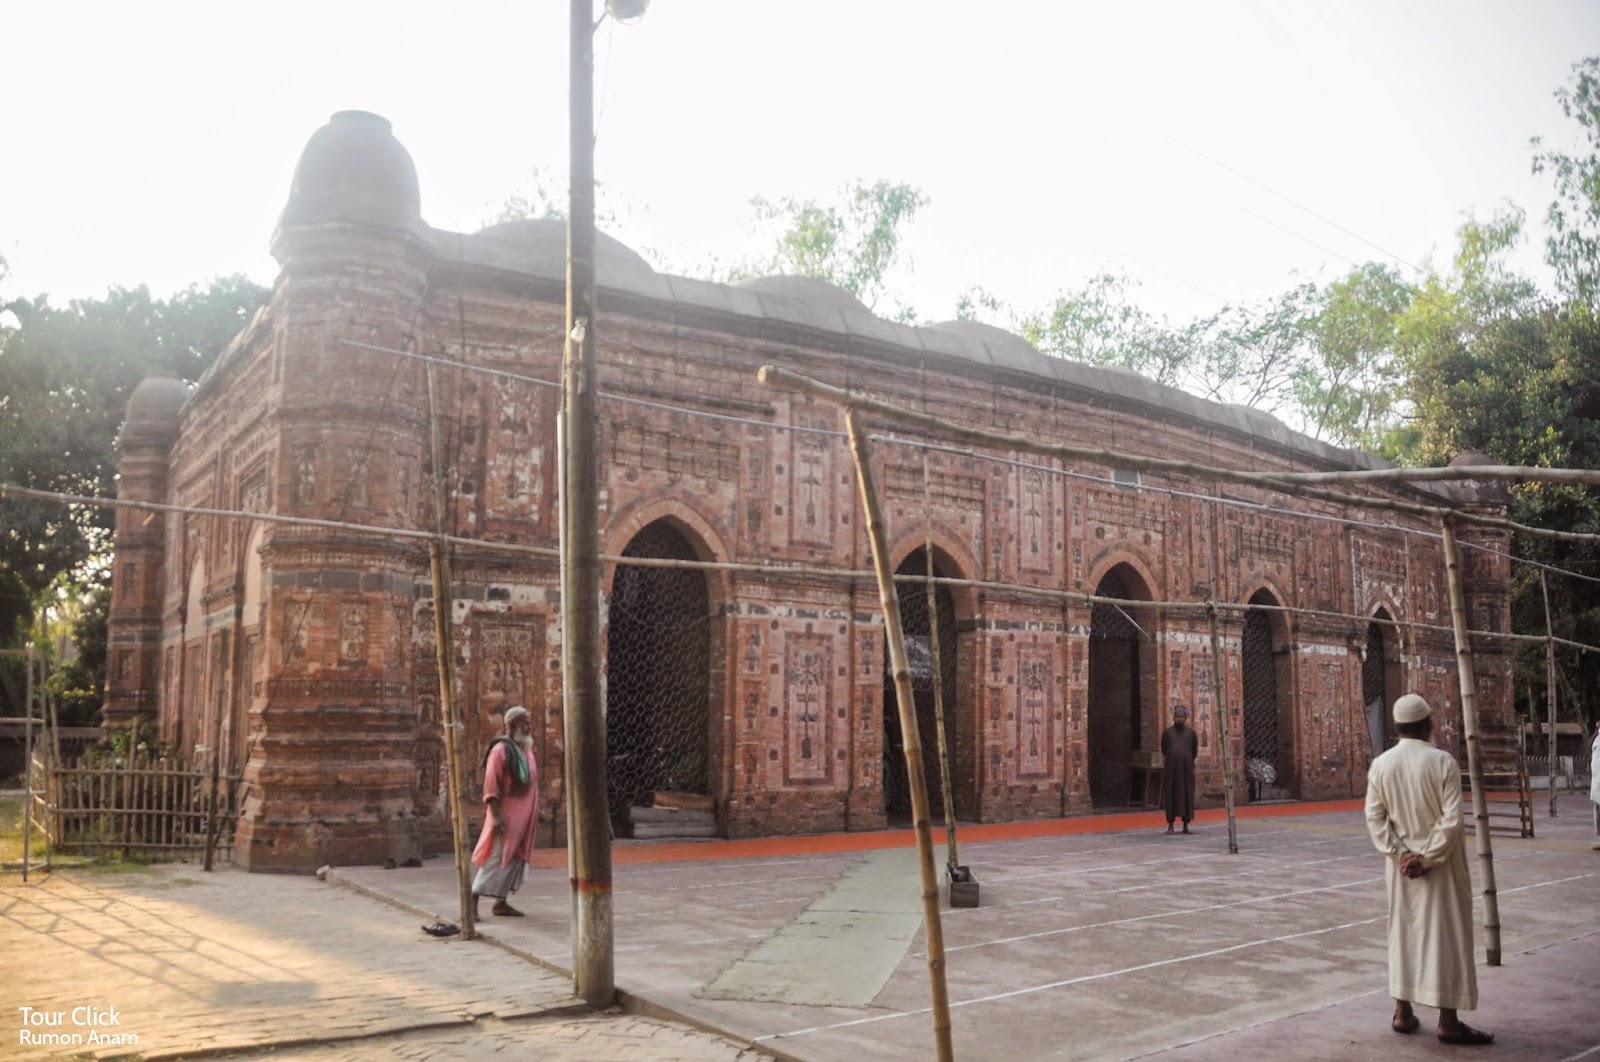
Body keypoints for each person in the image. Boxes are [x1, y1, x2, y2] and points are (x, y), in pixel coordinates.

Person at [1364, 694, 1493, 1046]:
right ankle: (1448, 1021)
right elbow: (1451, 821)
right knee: (1445, 937)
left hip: (1401, 870)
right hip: (1440, 868)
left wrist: (1400, 854)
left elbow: (1375, 819)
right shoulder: (1443, 763)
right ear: (1427, 725)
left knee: (1402, 932)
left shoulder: (1381, 765)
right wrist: (1426, 857)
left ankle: (1403, 1012)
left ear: (1398, 727)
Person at [471, 705, 540, 918]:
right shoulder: (501, 750)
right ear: (512, 725)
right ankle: (471, 902)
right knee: (496, 857)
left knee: (514, 858)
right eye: (525, 723)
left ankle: (501, 903)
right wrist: (495, 815)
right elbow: (491, 785)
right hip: (506, 817)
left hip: (524, 817)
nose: (529, 727)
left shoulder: (524, 749)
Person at [1160, 704, 1197, 834]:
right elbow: (1164, 749)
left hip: (1186, 770)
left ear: (1185, 717)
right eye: (1177, 716)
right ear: (1173, 717)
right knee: (1171, 795)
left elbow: (1194, 751)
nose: (1179, 719)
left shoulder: (1191, 733)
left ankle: (1186, 825)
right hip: (1172, 770)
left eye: (1181, 716)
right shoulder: (1167, 733)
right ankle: (1170, 824)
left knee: (1187, 795)